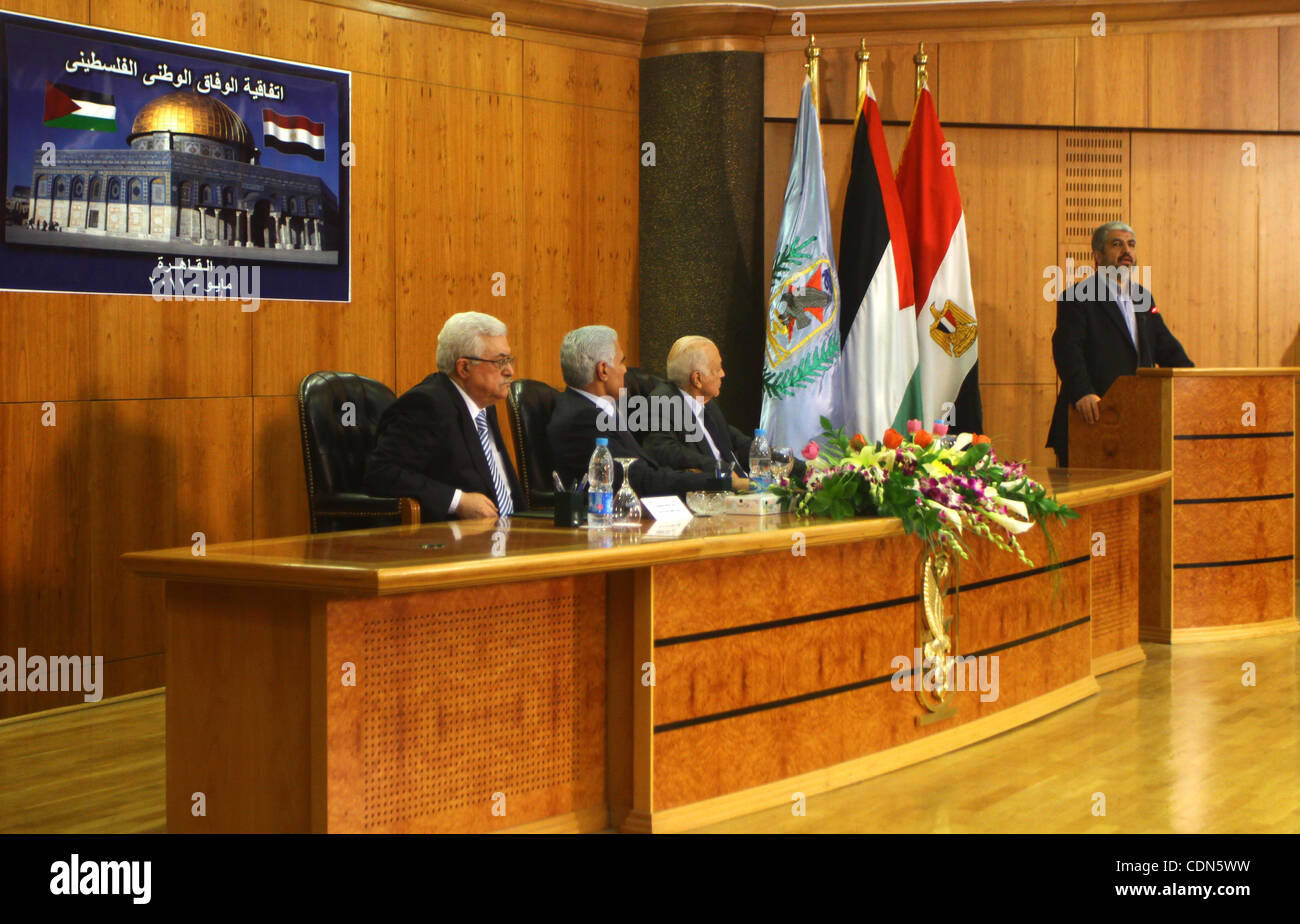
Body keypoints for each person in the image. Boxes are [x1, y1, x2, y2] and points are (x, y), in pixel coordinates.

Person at [1046, 221, 1193, 466]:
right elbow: (1066, 348)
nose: (1127, 251)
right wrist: (1083, 392)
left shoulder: (1143, 297)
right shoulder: (1078, 296)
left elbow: (1166, 347)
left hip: (1137, 422)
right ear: (1098, 255)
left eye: (1131, 244)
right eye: (1117, 244)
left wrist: (1193, 380)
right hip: (1092, 419)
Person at [546, 325, 750, 496]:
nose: (626, 370)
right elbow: (640, 479)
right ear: (603, 370)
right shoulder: (583, 419)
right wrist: (719, 481)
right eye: (622, 361)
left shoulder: (593, 409)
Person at [364, 311, 524, 521]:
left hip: (511, 533)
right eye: (500, 362)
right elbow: (381, 473)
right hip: (455, 541)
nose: (510, 370)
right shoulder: (427, 405)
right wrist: (457, 501)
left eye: (509, 359)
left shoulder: (483, 404)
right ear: (464, 367)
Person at [642, 335, 806, 481]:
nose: (723, 374)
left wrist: (803, 470)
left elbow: (741, 445)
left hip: (745, 490)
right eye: (717, 369)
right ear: (697, 379)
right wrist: (720, 469)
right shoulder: (662, 402)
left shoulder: (707, 404)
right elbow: (663, 450)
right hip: (713, 497)